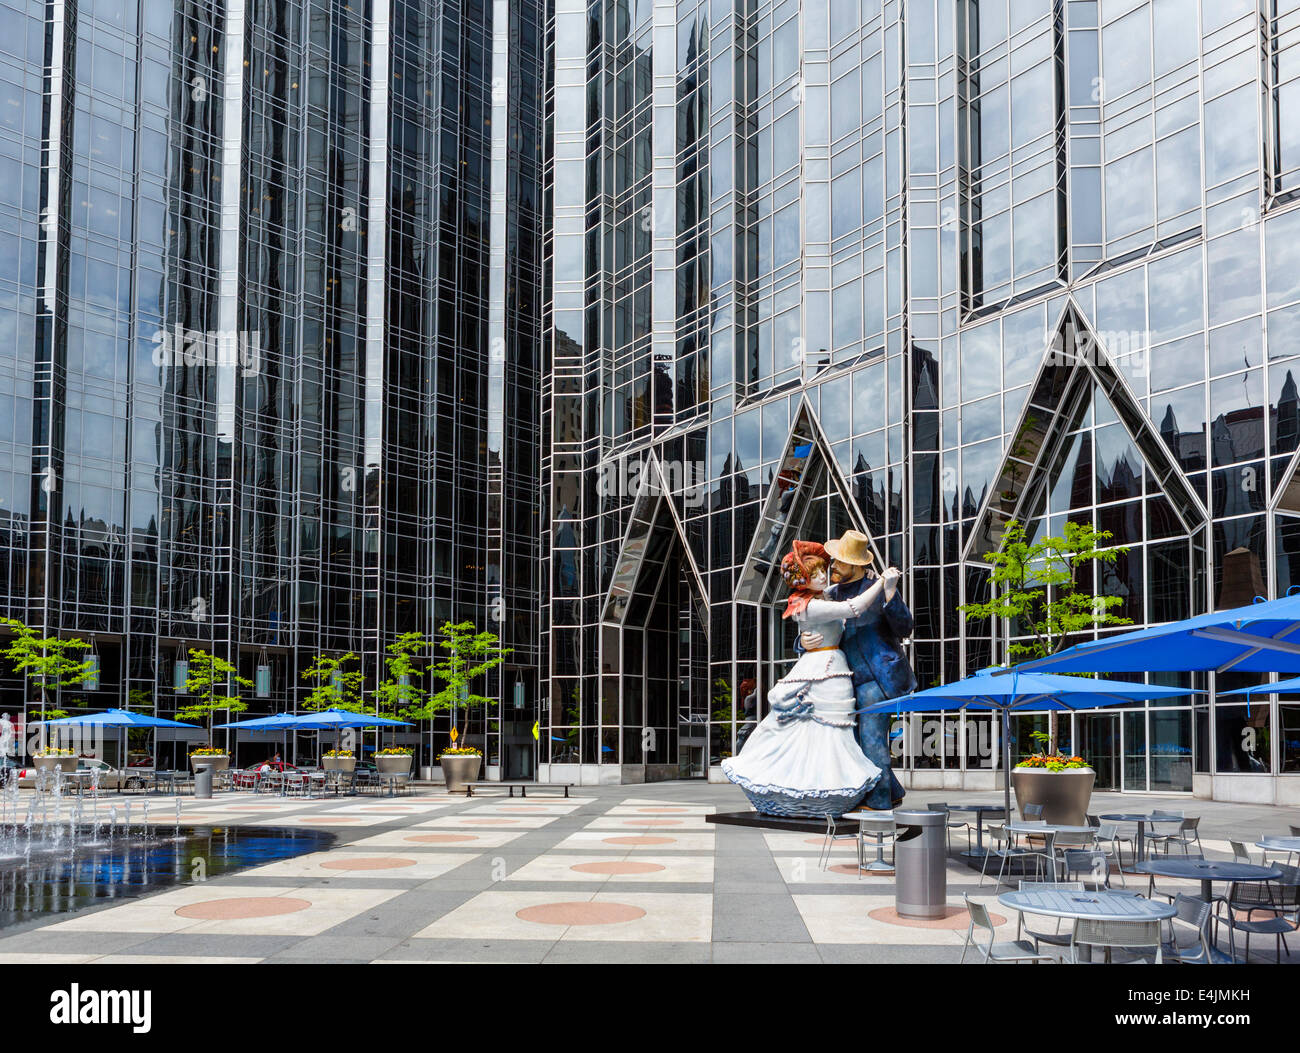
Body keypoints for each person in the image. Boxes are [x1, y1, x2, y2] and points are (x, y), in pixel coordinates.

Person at [722, 540, 891, 817]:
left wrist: (872, 579)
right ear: (802, 580)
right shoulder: (810, 605)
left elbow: (840, 603)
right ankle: (809, 788)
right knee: (819, 729)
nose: (823, 576)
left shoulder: (823, 596)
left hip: (832, 664)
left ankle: (833, 786)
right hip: (823, 667)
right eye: (815, 575)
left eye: (823, 571)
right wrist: (881, 582)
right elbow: (853, 608)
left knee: (833, 730)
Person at [800, 530, 915, 809]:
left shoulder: (877, 588)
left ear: (856, 565)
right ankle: (891, 790)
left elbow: (905, 628)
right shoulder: (830, 594)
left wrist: (890, 594)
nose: (833, 566)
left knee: (872, 738)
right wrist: (803, 642)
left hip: (878, 678)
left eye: (840, 561)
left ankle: (878, 802)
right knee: (848, 740)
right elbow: (814, 626)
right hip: (843, 679)